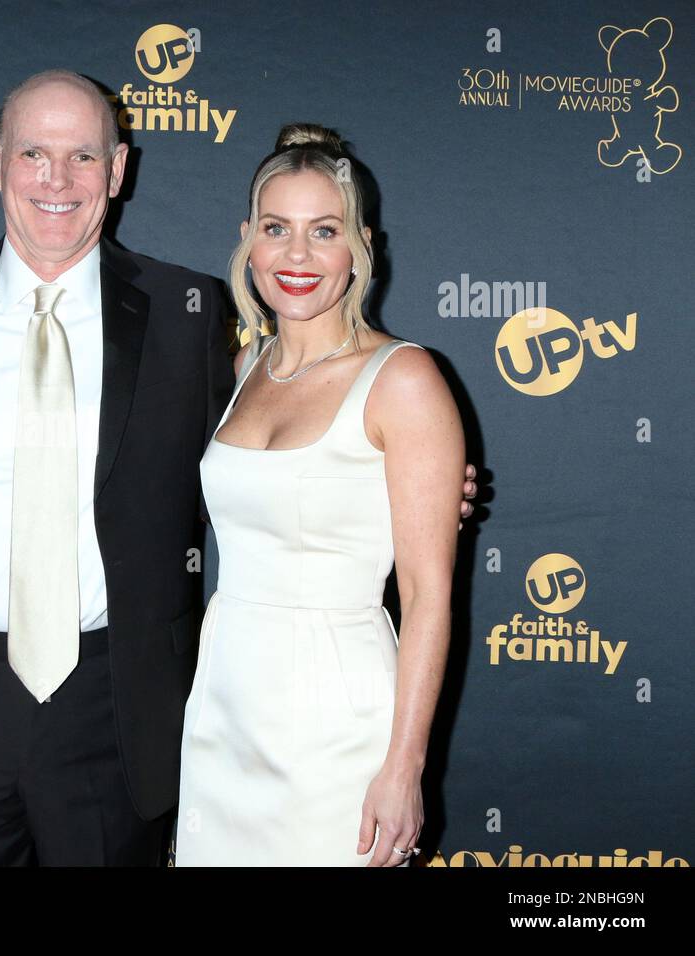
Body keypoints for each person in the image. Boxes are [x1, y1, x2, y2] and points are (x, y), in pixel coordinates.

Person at [0, 73, 476, 866]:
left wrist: (431, 486)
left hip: (120, 713)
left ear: (118, 170)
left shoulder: (182, 318)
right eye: (34, 153)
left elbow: (333, 466)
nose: (57, 181)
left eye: (83, 156)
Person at [175, 123, 463, 866]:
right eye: (277, 229)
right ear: (248, 238)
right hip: (225, 703)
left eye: (323, 231)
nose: (297, 256)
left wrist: (404, 768)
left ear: (360, 245)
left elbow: (428, 597)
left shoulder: (404, 379)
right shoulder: (244, 367)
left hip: (340, 716)